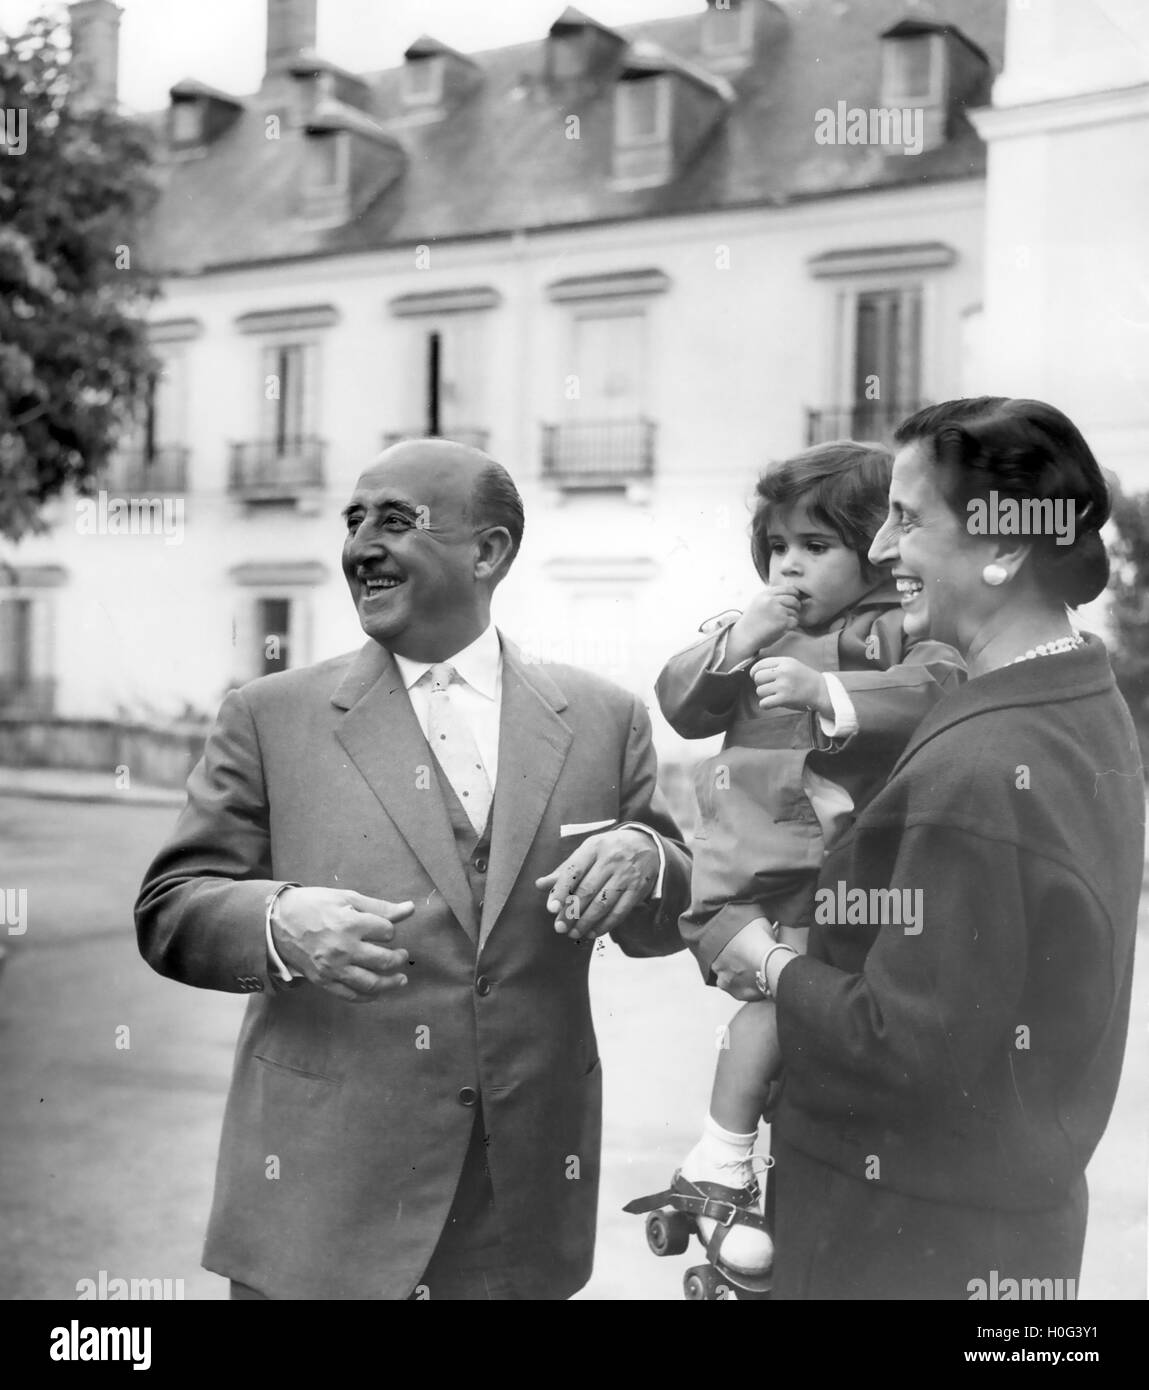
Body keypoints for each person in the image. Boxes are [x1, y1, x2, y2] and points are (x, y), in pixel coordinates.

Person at [135, 439, 691, 1301]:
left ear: (489, 550)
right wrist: (278, 923)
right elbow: (169, 909)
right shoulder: (270, 717)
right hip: (324, 1210)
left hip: (517, 1212)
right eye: (353, 521)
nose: (361, 545)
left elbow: (673, 914)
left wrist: (648, 857)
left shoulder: (601, 718)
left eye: (396, 521)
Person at [712, 397, 1144, 1299]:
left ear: (1004, 548)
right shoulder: (1075, 699)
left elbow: (900, 1046)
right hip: (1006, 1234)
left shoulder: (981, 767)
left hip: (897, 1245)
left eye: (906, 521)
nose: (877, 551)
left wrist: (766, 960)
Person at [648, 442, 963, 1280]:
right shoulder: (753, 627)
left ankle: (729, 1167)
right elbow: (679, 701)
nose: (789, 566)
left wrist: (829, 692)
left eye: (816, 546)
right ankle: (724, 1162)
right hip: (745, 872)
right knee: (774, 1005)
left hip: (835, 872)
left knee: (799, 1017)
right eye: (778, 546)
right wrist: (734, 644)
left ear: (874, 546)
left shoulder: (889, 629)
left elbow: (940, 681)